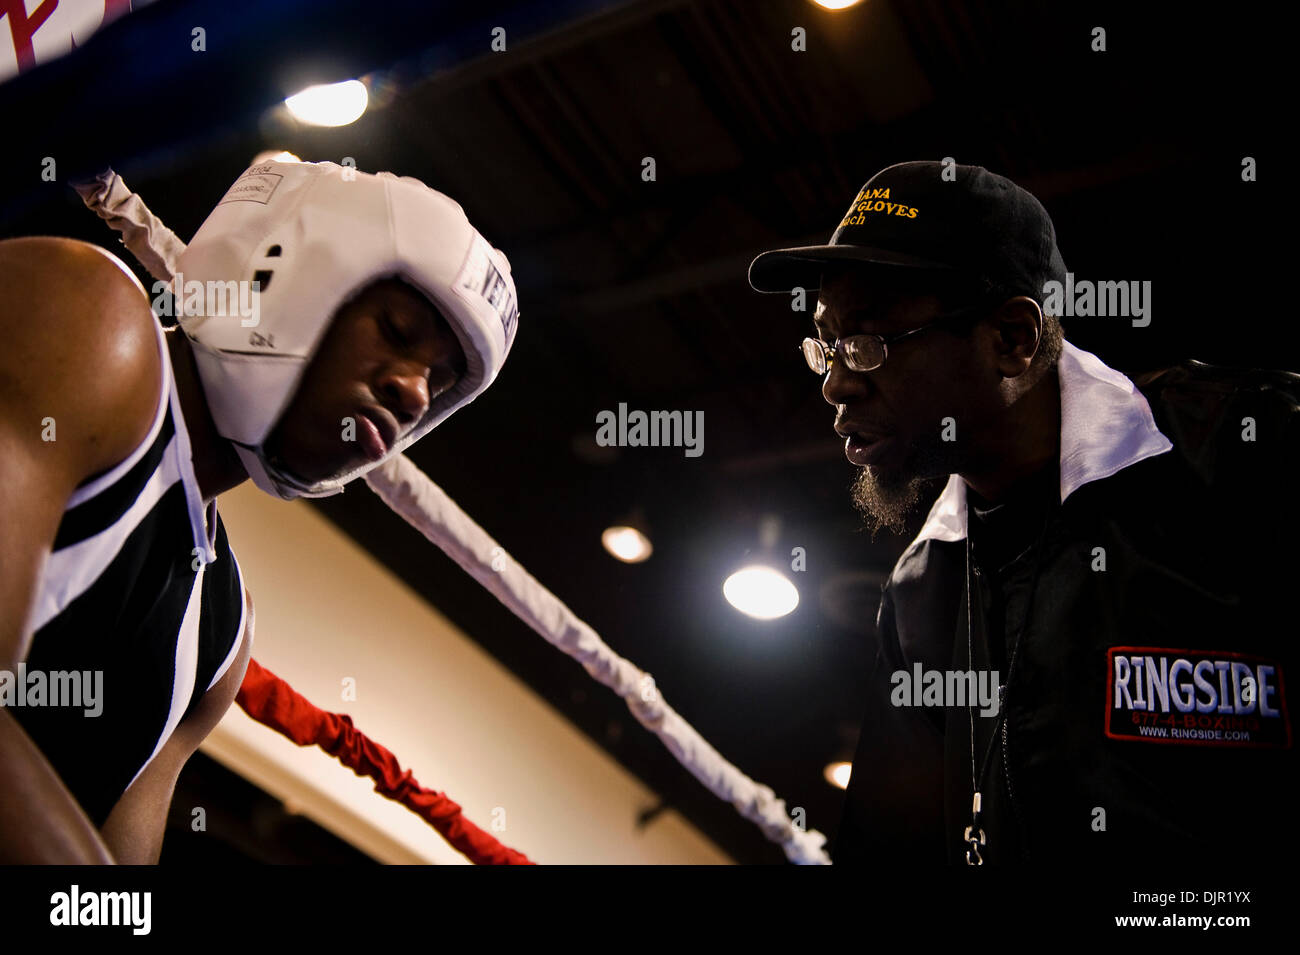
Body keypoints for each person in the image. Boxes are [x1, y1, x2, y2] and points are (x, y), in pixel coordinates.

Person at [749, 160, 1297, 864]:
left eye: (869, 341)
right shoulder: (921, 593)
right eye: (825, 343)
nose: (835, 382)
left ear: (1012, 338)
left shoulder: (1249, 454)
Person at [0, 159, 519, 863]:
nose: (416, 394)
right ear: (284, 271)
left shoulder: (220, 627)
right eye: (398, 330)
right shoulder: (90, 311)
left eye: (439, 380)